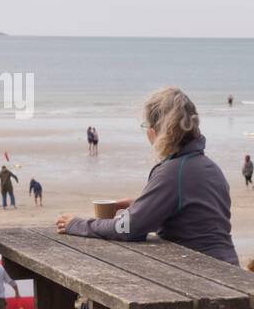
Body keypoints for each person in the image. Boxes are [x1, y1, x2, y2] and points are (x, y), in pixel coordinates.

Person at [56, 87, 238, 264]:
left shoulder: (173, 172)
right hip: (227, 267)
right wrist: (137, 205)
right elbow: (190, 216)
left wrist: (77, 224)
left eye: (146, 126)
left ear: (156, 130)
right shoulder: (211, 168)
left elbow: (128, 228)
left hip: (203, 274)